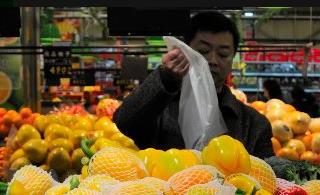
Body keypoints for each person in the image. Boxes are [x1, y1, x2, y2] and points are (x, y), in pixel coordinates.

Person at [113, 11, 274, 158]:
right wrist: (166, 78)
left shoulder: (254, 124)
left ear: (233, 58)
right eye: (203, 51)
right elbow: (124, 121)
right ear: (186, 51)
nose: (212, 61)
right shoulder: (160, 111)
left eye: (223, 54)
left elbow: (266, 179)